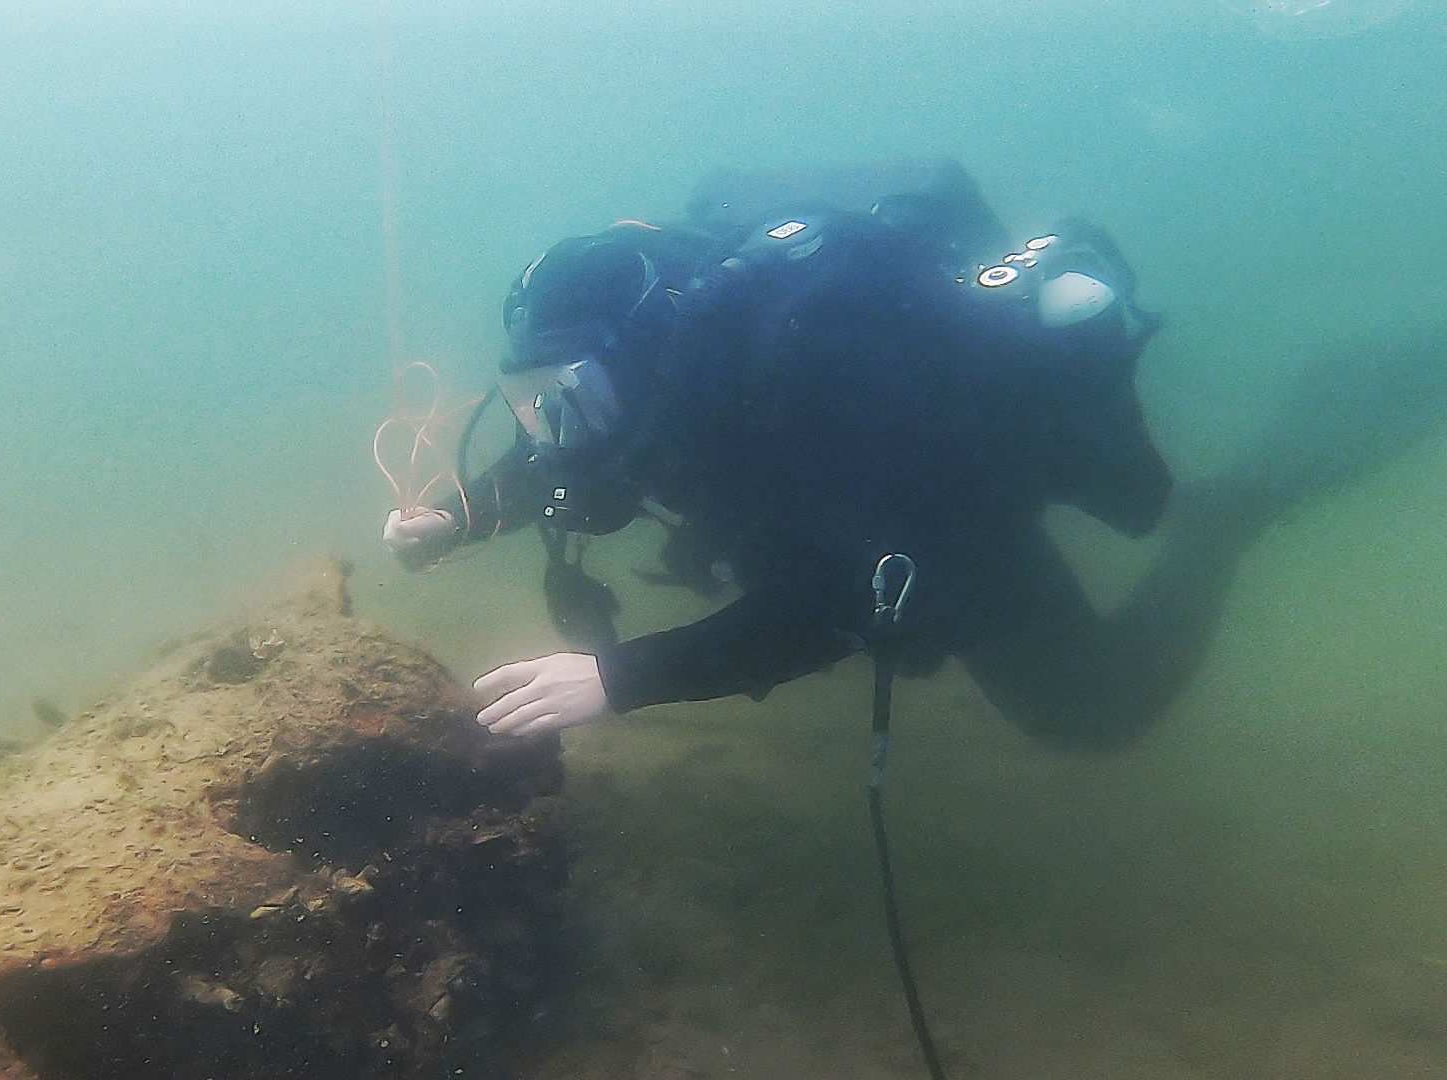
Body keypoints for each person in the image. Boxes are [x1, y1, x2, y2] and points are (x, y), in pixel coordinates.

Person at [383, 159, 1445, 747]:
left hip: (942, 513)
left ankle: (1228, 515)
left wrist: (628, 676)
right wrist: (458, 520)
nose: (545, 427)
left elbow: (838, 598)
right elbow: (571, 457)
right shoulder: (650, 385)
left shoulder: (805, 377)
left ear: (644, 348)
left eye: (563, 397)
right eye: (528, 400)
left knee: (1092, 710)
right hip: (821, 511)